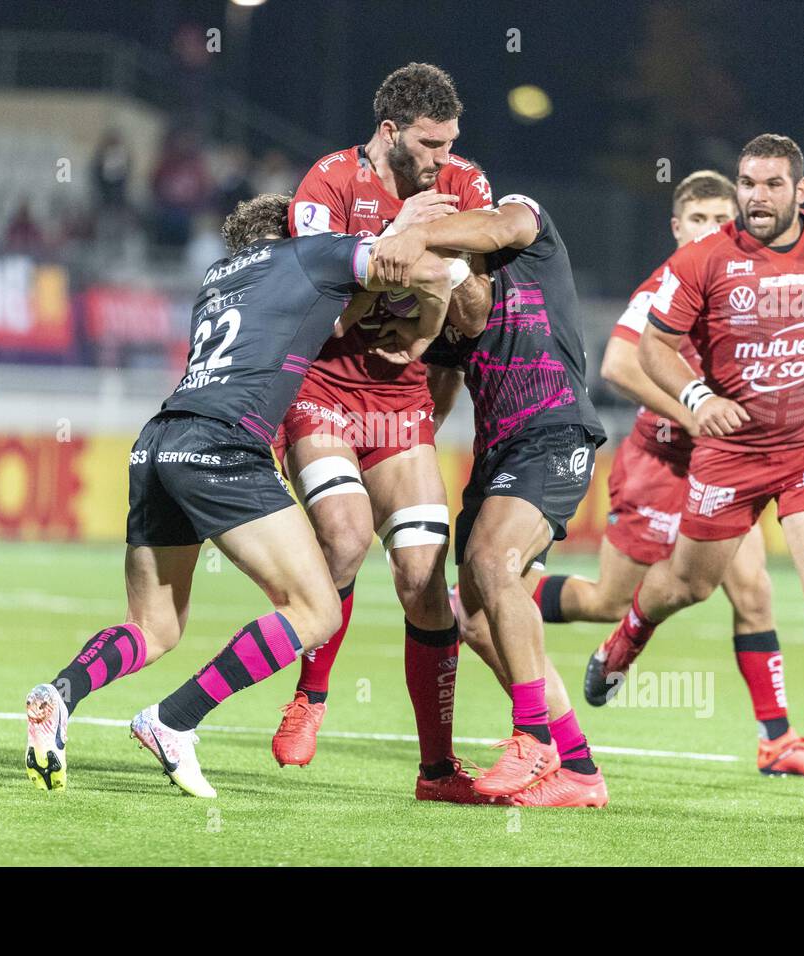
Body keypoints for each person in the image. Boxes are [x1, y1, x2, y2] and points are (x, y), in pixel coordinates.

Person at [22, 193, 454, 797]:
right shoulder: (305, 256)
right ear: (295, 230)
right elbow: (424, 270)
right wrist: (411, 248)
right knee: (317, 610)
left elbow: (320, 320)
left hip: (157, 441)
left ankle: (59, 695)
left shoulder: (217, 279)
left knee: (153, 627)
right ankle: (172, 721)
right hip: (223, 444)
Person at [588, 134, 804, 796]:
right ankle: (629, 636)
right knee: (689, 587)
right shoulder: (705, 259)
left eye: (771, 184)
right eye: (749, 184)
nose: (757, 197)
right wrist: (698, 398)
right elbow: (651, 346)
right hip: (731, 454)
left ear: (800, 190)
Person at [500, 170, 804, 778]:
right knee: (608, 600)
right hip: (664, 463)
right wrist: (695, 414)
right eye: (696, 220)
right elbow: (619, 365)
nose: (709, 231)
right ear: (677, 228)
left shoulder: (747, 279)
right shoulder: (667, 284)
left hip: (727, 467)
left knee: (754, 592)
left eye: (718, 220)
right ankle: (493, 596)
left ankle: (777, 740)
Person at [271, 63, 496, 805]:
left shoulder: (464, 187)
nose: (443, 159)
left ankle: (437, 770)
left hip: (401, 401)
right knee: (342, 538)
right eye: (431, 144)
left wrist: (450, 261)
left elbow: (475, 319)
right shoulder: (329, 183)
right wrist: (396, 241)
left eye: (451, 142)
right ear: (391, 132)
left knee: (425, 581)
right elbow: (309, 300)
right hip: (324, 387)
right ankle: (311, 694)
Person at [372, 193, 608, 805]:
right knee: (473, 615)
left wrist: (412, 234)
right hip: (498, 456)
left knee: (491, 561)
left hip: (555, 431)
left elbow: (500, 223)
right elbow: (440, 389)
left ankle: (533, 737)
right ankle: (578, 769)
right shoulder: (450, 315)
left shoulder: (524, 231)